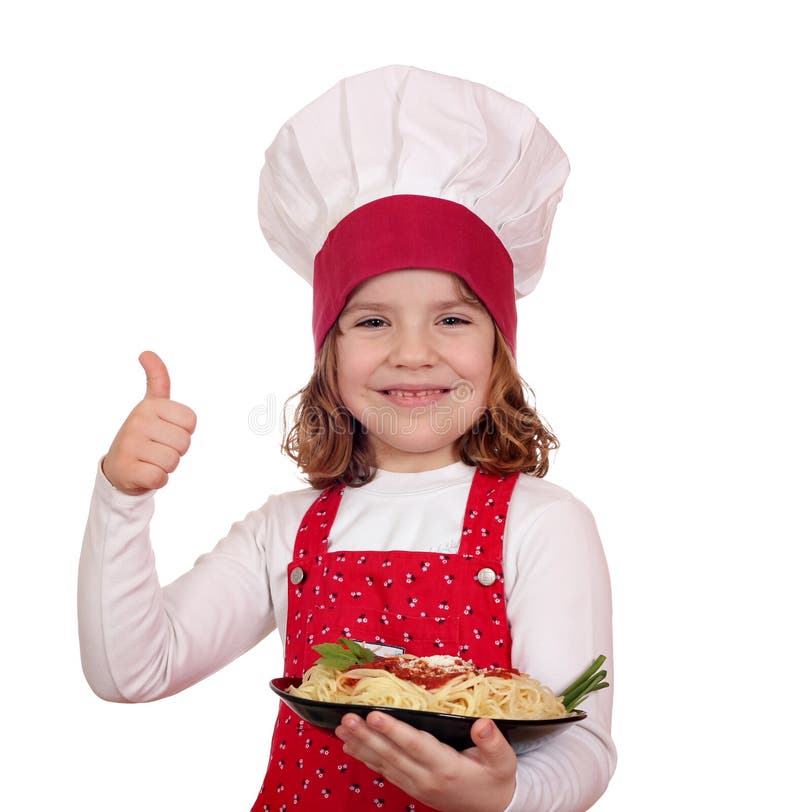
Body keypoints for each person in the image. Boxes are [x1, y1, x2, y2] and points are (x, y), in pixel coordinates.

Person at [78, 65, 616, 812]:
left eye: (452, 318)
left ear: (499, 351)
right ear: (327, 354)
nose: (413, 352)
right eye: (372, 320)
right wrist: (122, 497)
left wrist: (505, 795)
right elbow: (133, 672)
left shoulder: (543, 523)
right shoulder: (284, 528)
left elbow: (580, 742)